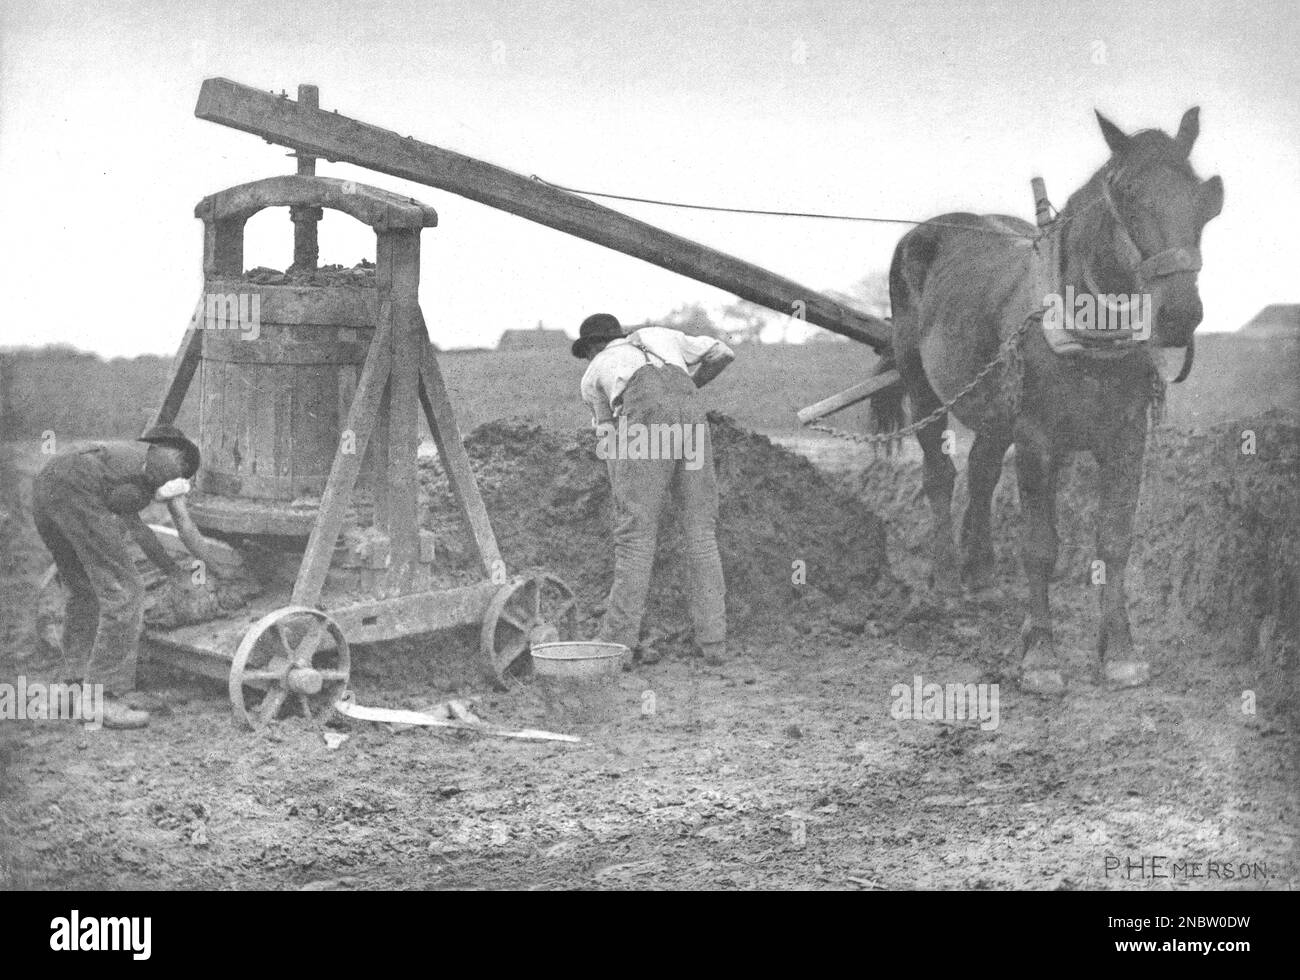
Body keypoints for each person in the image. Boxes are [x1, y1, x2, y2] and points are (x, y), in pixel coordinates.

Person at [574, 313, 735, 666]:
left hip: (644, 427)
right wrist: (687, 392)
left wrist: (625, 490)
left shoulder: (594, 372)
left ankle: (617, 644)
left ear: (591, 347)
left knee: (635, 536)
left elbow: (607, 435)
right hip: (692, 419)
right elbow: (723, 353)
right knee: (701, 532)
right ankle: (714, 643)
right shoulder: (661, 335)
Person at [32, 424, 200, 729]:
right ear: (163, 448)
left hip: (47, 486)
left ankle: (73, 688)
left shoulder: (123, 461)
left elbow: (139, 531)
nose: (176, 477)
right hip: (76, 487)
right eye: (180, 466)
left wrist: (171, 571)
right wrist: (177, 572)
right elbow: (141, 531)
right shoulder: (140, 469)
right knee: (126, 593)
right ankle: (104, 696)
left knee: (84, 592)